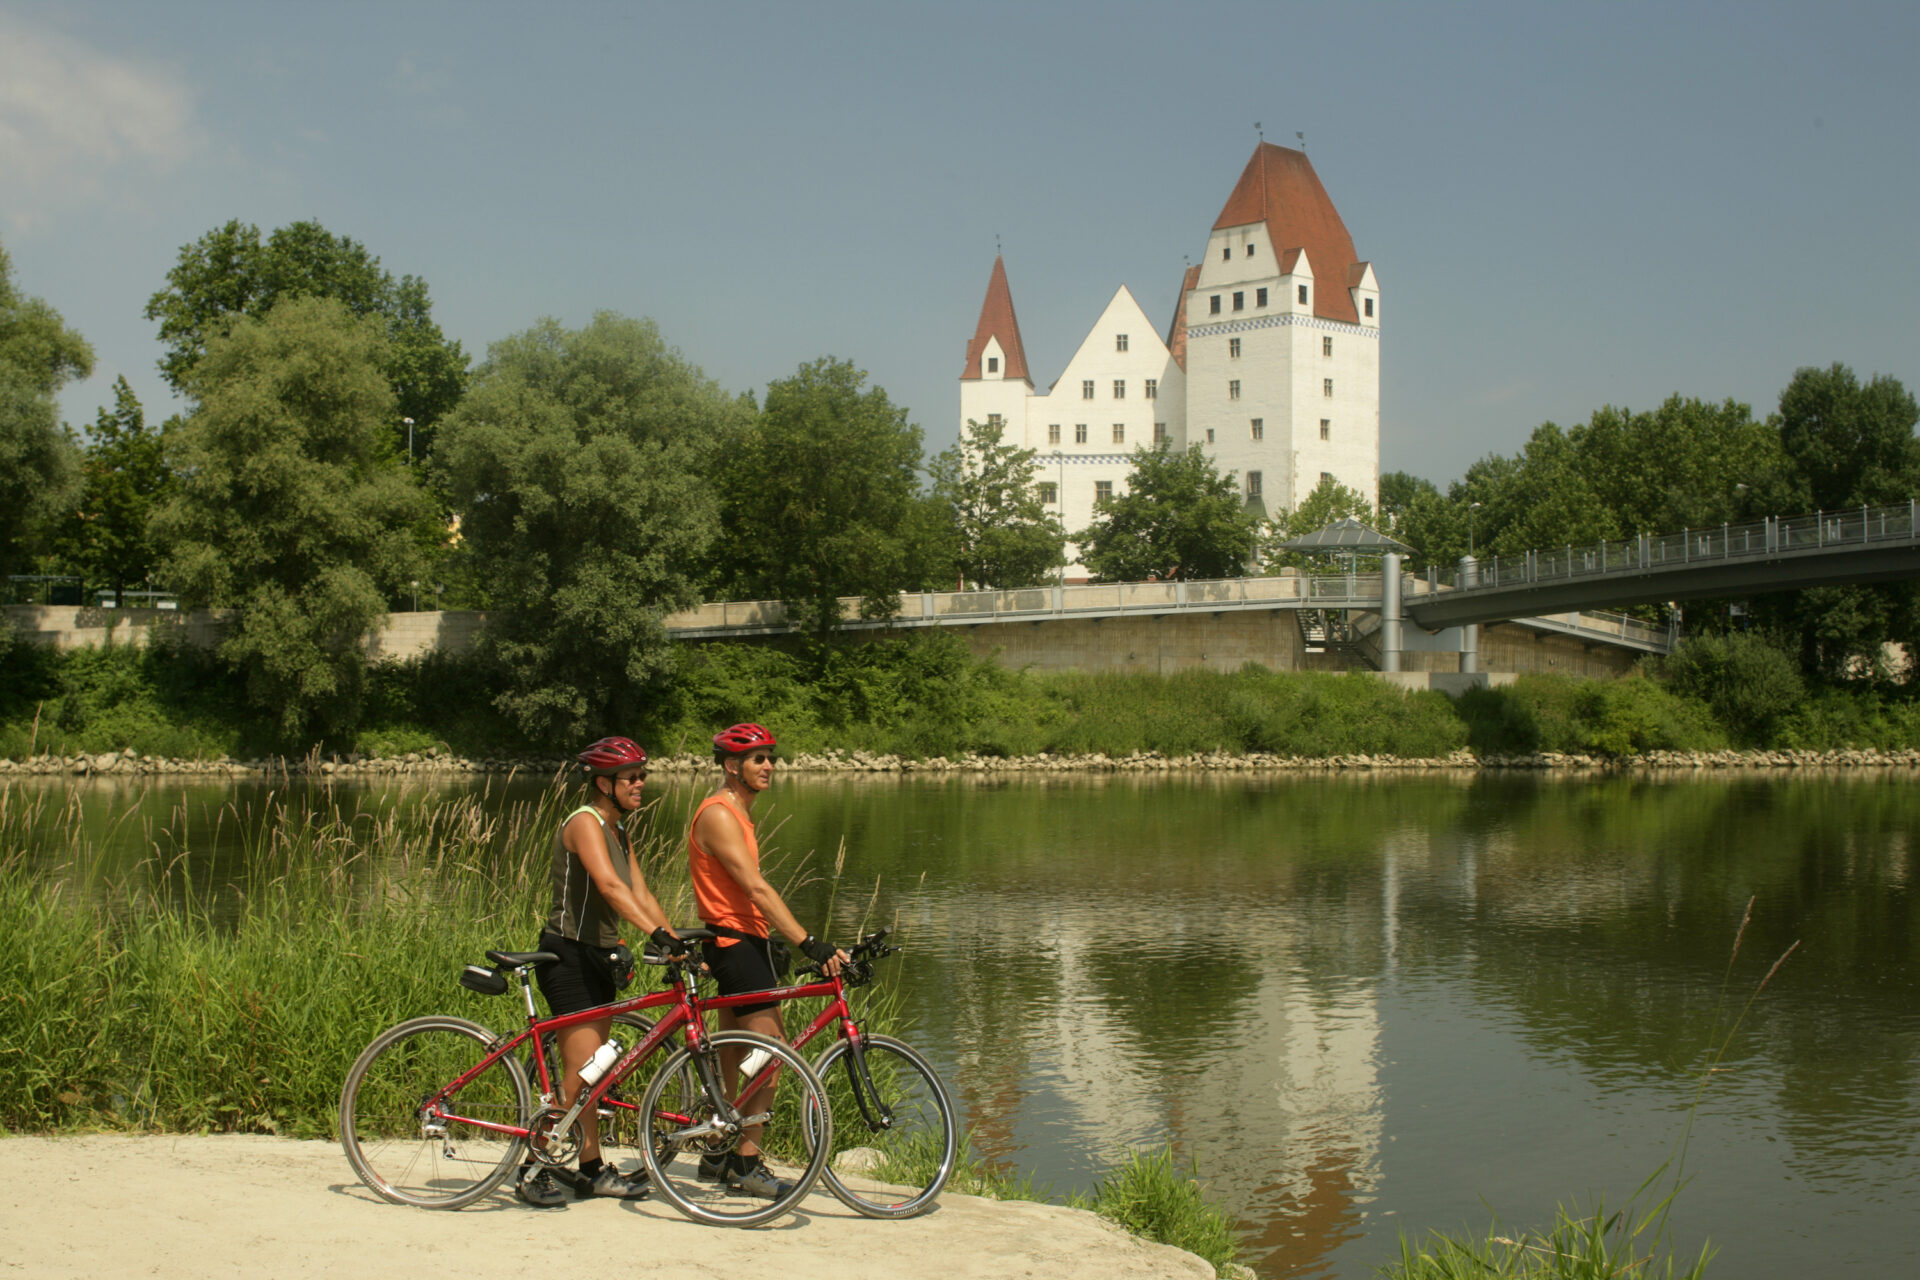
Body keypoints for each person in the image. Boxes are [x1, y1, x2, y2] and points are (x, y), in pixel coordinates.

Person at [519, 735, 686, 1207]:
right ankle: (532, 1166)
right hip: (568, 955)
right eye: (631, 777)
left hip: (600, 956)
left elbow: (640, 892)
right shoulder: (585, 823)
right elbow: (611, 887)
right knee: (581, 1074)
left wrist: (674, 940)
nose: (640, 783)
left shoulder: (618, 830)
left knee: (595, 1073)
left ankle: (590, 1168)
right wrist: (656, 936)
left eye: (642, 775)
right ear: (603, 783)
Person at [687, 722, 849, 1199]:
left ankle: (717, 1148)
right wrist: (809, 943)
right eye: (758, 759)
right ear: (731, 766)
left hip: (746, 941)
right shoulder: (719, 814)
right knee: (772, 1054)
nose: (769, 767)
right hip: (733, 943)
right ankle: (746, 1161)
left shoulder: (737, 812)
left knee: (736, 1050)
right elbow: (755, 887)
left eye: (771, 758)